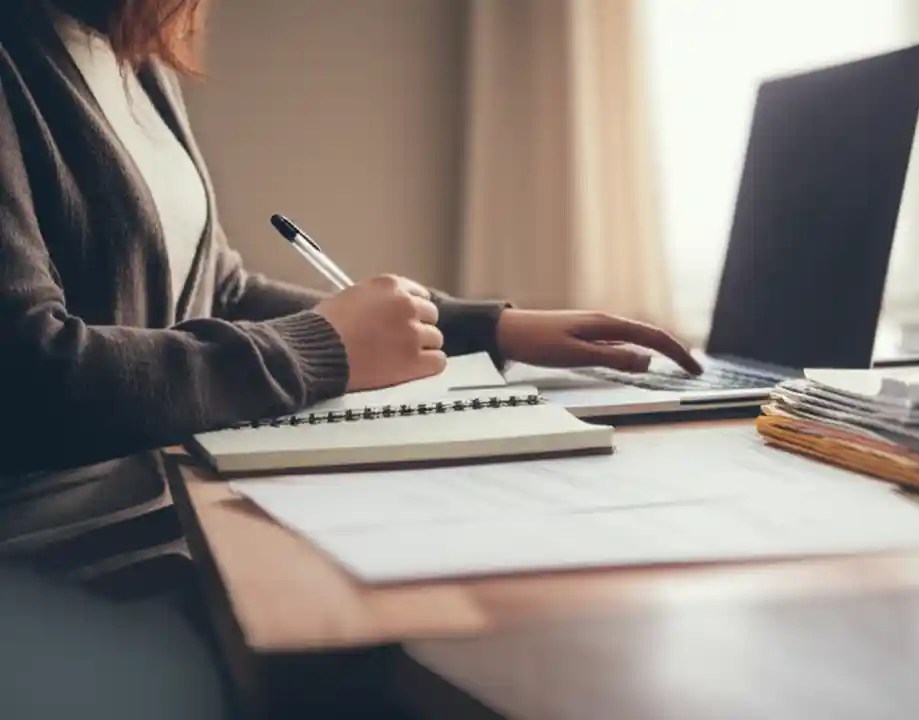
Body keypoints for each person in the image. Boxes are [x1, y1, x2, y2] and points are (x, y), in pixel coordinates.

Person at [0, 0, 700, 591]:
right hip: (54, 559)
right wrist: (325, 346)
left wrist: (485, 328)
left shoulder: (133, 56)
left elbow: (217, 289)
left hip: (163, 510)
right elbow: (33, 376)